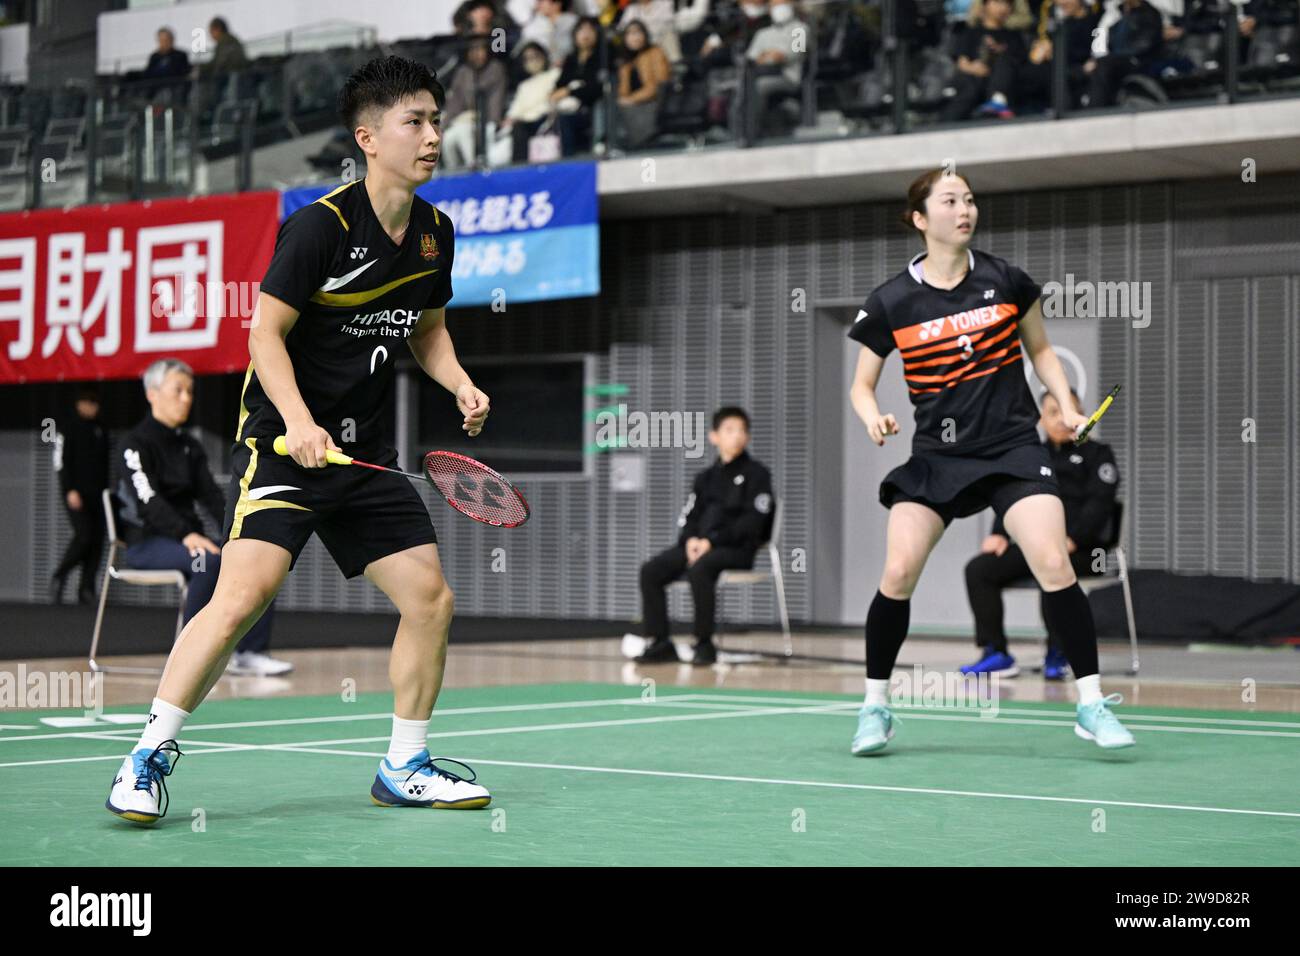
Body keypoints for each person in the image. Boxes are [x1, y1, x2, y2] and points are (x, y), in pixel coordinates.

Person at [105, 56, 493, 826]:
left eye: (436, 121)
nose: (431, 136)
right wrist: (299, 422)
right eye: (413, 122)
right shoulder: (322, 225)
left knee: (431, 601)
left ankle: (404, 764)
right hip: (286, 449)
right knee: (238, 599)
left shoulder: (434, 234)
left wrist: (458, 383)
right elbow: (264, 334)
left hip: (364, 455)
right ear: (368, 137)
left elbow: (427, 329)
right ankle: (146, 755)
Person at [846, 167, 1136, 754]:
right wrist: (872, 413)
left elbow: (1042, 350)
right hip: (937, 456)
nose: (965, 209)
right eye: (951, 200)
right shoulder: (892, 300)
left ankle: (1090, 704)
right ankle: (875, 707)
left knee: (1054, 560)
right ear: (921, 219)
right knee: (898, 572)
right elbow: (861, 385)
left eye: (971, 199)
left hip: (1011, 447)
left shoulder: (1007, 281)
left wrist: (1066, 405)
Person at [116, 359, 289, 677]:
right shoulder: (134, 445)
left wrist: (241, 531)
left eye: (190, 392)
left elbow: (211, 496)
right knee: (207, 562)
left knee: (257, 558)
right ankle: (190, 655)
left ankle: (249, 652)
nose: (186, 399)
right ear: (152, 394)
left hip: (190, 540)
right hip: (147, 542)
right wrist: (185, 534)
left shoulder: (189, 446)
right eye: (177, 391)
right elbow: (148, 501)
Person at [961, 388, 1120, 680]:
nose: (1060, 419)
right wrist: (1000, 533)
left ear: (1080, 413)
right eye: (1053, 412)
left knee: (1052, 566)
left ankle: (1059, 652)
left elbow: (1100, 506)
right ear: (1040, 420)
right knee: (979, 570)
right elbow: (1012, 498)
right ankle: (996, 652)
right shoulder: (1032, 457)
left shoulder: (1098, 454)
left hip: (1086, 551)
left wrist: (1072, 539)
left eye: (1067, 410)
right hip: (1038, 545)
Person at [634, 407, 775, 666]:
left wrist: (712, 541)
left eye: (742, 430)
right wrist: (689, 541)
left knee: (701, 570)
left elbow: (754, 522)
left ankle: (704, 643)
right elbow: (689, 516)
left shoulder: (758, 475)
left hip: (736, 549)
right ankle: (659, 641)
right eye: (730, 430)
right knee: (651, 571)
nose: (737, 436)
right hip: (698, 546)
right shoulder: (705, 478)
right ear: (714, 437)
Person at [51, 386, 109, 605]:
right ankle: (60, 574)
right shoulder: (68, 428)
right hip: (77, 494)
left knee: (97, 541)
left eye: (95, 404)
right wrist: (69, 490)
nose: (92, 408)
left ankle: (86, 588)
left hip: (98, 495)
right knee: (83, 536)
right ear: (79, 404)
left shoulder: (101, 429)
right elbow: (62, 463)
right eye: (88, 403)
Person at [941, 0, 1028, 121]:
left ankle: (997, 102)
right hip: (974, 85)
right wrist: (974, 68)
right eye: (998, 2)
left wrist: (999, 52)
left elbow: (1022, 64)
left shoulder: (1014, 36)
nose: (1003, 8)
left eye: (1008, 4)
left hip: (1006, 88)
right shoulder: (970, 32)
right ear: (985, 5)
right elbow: (962, 63)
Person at [439, 35, 510, 170]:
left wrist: (491, 122)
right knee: (448, 139)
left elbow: (496, 100)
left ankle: (474, 169)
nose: (477, 54)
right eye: (473, 50)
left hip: (487, 120)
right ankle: (453, 173)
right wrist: (444, 125)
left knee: (463, 131)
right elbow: (455, 102)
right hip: (465, 120)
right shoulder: (463, 72)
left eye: (480, 49)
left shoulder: (495, 68)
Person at [743, 0, 808, 139]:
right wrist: (773, 55)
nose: (778, 9)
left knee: (760, 86)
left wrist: (771, 55)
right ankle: (740, 130)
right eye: (774, 6)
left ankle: (753, 132)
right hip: (760, 74)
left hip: (789, 77)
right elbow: (752, 58)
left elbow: (796, 53)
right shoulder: (763, 33)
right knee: (741, 87)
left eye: (781, 4)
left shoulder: (800, 29)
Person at [1083, 0, 1163, 108]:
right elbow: (1106, 41)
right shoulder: (1115, 13)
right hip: (1115, 61)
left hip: (1138, 61)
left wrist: (1111, 57)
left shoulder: (1149, 14)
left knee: (1105, 64)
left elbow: (1144, 45)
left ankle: (1095, 109)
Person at [497, 41, 561, 163]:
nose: (533, 61)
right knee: (517, 128)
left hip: (545, 118)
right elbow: (515, 110)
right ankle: (518, 167)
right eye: (528, 58)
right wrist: (510, 118)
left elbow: (555, 98)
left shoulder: (554, 74)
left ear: (543, 56)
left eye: (535, 56)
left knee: (520, 128)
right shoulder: (524, 86)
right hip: (525, 122)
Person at [550, 16, 605, 156]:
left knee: (566, 120)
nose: (585, 34)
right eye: (581, 30)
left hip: (592, 109)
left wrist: (569, 91)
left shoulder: (602, 56)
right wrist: (556, 93)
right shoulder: (571, 59)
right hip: (568, 109)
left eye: (590, 30)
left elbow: (596, 88)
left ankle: (569, 160)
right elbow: (559, 85)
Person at [616, 20, 670, 149]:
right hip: (632, 105)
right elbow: (623, 92)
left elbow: (659, 85)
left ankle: (640, 144)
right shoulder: (624, 63)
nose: (635, 37)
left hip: (655, 102)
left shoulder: (655, 52)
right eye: (630, 33)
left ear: (645, 35)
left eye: (638, 32)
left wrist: (631, 100)